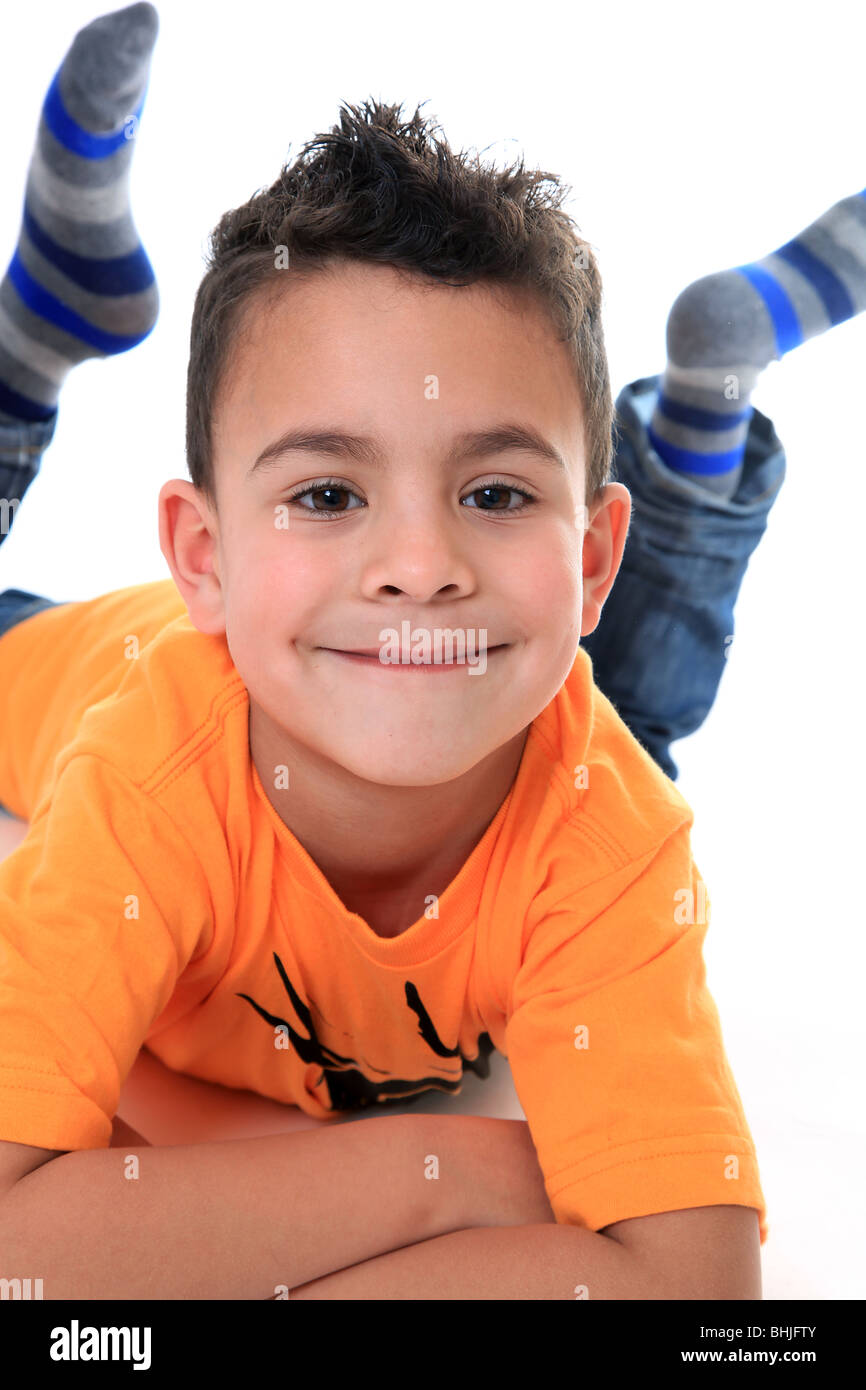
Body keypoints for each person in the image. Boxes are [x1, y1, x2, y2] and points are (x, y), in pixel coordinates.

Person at [3, 0, 857, 1301]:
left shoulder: (604, 829)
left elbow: (696, 1297)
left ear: (589, 562)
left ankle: (691, 441)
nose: (419, 559)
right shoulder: (150, 770)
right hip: (76, 657)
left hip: (447, 678)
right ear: (205, 559)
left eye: (497, 494)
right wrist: (446, 1172)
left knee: (626, 725)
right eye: (331, 493)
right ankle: (37, 334)